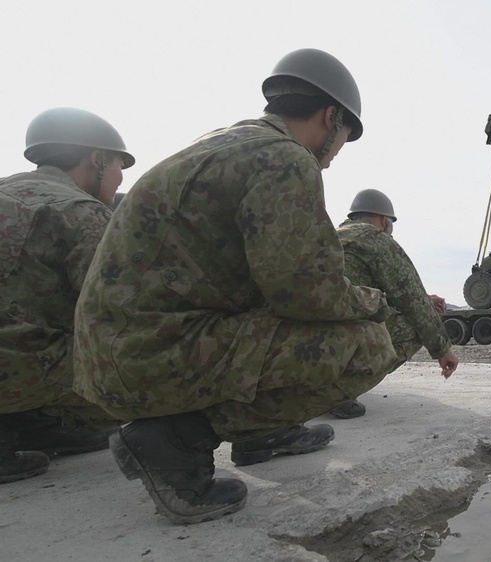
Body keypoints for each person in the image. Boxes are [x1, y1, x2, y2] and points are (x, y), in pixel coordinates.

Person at [72, 48, 401, 525]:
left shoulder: (217, 144)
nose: (337, 152)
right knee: (366, 344)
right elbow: (305, 291)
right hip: (146, 358)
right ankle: (174, 439)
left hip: (108, 356)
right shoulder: (286, 159)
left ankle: (220, 433)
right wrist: (371, 301)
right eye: (345, 136)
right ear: (331, 117)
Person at [0, 108, 134, 484]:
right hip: (14, 369)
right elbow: (122, 312)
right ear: (97, 159)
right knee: (151, 361)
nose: (120, 179)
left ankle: (28, 425)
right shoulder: (81, 211)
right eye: (120, 167)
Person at [328, 189, 459, 419]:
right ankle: (340, 392)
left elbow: (356, 291)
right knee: (414, 325)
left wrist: (423, 299)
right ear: (385, 221)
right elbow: (413, 300)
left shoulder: (330, 237)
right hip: (348, 335)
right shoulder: (376, 240)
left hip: (312, 336)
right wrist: (442, 349)